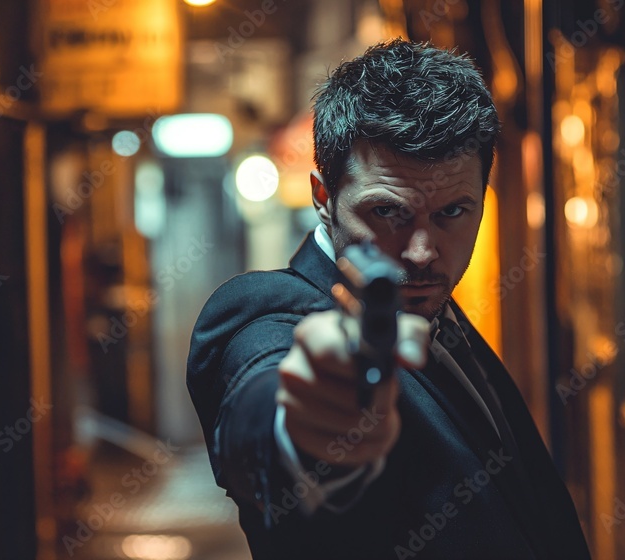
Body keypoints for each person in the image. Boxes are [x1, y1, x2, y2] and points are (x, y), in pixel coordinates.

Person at [187, 39, 590, 559]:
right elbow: (262, 400)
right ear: (322, 198)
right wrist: (301, 425)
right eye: (387, 213)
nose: (422, 252)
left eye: (451, 213)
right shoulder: (266, 311)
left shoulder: (432, 309)